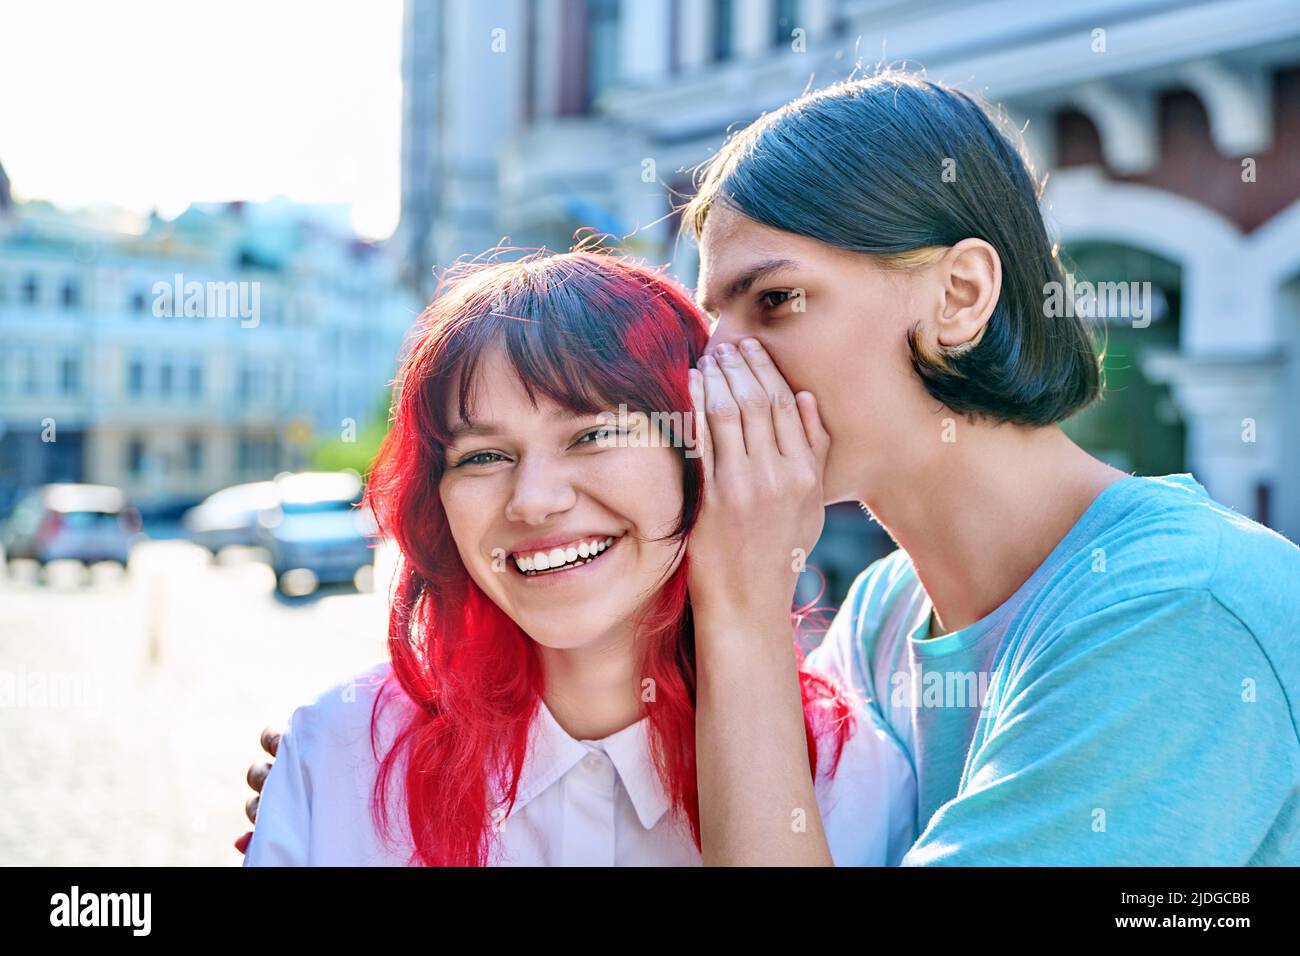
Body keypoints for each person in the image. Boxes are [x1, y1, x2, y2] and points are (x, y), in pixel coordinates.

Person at [682, 69, 1300, 865]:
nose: (717, 367)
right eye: (711, 321)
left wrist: (741, 608)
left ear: (961, 294)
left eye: (774, 300)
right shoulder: (885, 614)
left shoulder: (1180, 609)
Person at [239, 249, 916, 867]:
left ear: (701, 451)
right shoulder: (335, 754)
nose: (533, 501)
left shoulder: (846, 773)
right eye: (482, 456)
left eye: (593, 434)